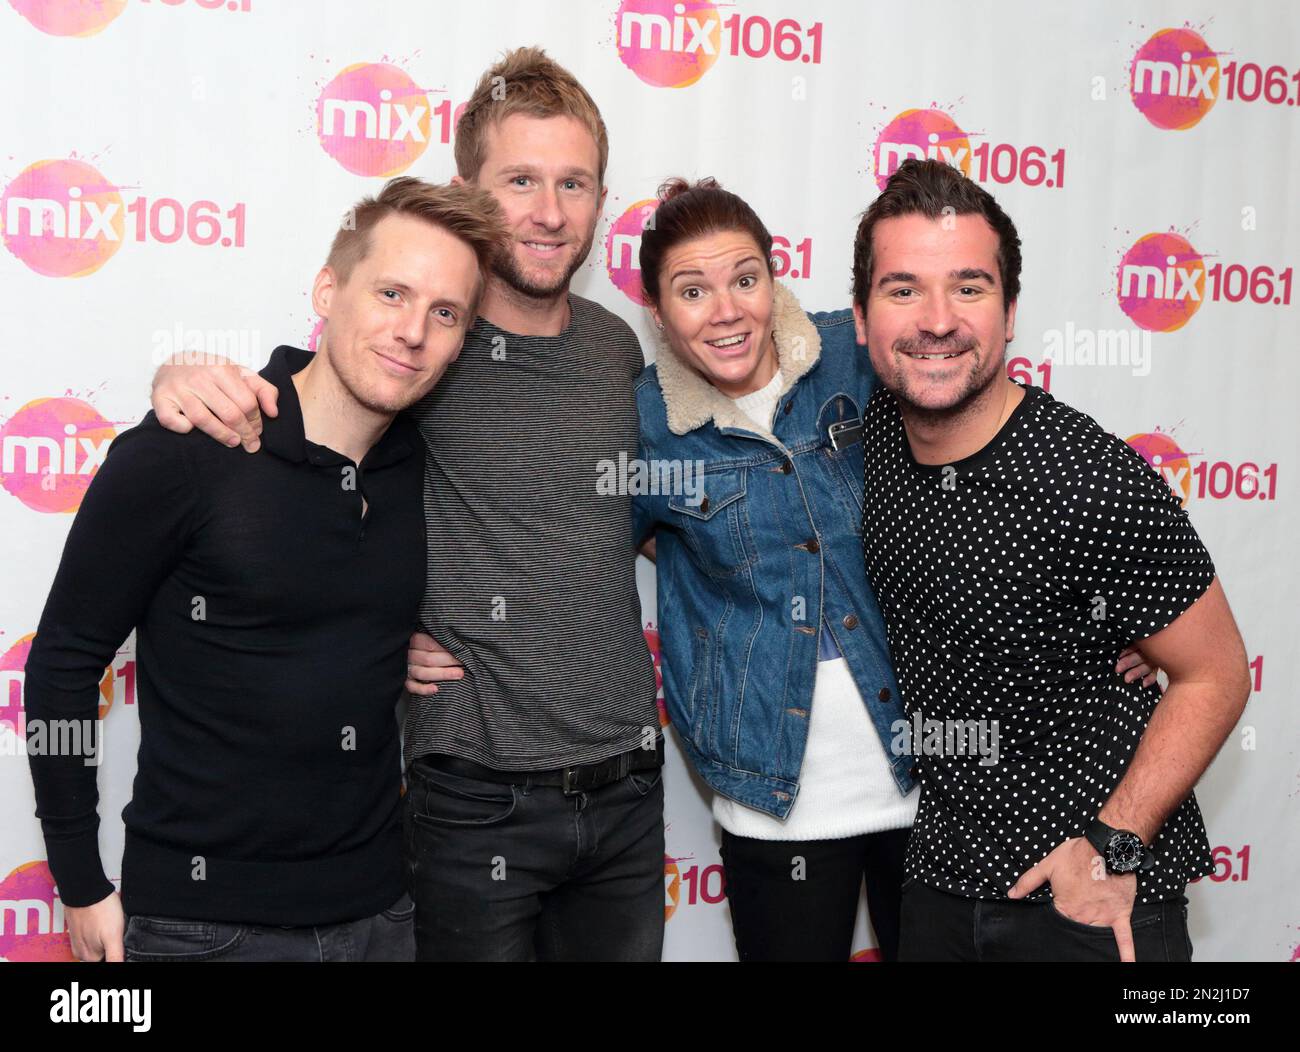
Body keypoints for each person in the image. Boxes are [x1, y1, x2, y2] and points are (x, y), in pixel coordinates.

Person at [147, 48, 665, 962]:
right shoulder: (421, 351)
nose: (550, 212)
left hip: (627, 790)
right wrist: (186, 373)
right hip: (472, 795)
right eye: (520, 181)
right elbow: (306, 432)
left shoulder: (618, 350)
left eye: (574, 183)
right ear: (469, 190)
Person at [622, 178, 1157, 962]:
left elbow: (996, 464)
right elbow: (605, 537)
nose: (726, 309)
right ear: (658, 312)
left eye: (744, 278)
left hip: (930, 778)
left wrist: (1117, 617)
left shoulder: (861, 351)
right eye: (692, 290)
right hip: (772, 799)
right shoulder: (647, 424)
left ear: (774, 278)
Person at [24, 177, 504, 962]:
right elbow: (63, 664)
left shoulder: (423, 467)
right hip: (202, 927)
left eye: (445, 313)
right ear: (327, 288)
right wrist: (79, 881)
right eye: (391, 292)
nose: (413, 331)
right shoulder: (187, 450)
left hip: (383, 916)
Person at [850, 158, 1251, 962]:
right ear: (858, 319)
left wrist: (1112, 848)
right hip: (939, 881)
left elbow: (1217, 675)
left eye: (969, 287)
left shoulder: (1088, 478)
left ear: (1009, 313)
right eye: (903, 290)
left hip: (1082, 904)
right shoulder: (882, 437)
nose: (936, 319)